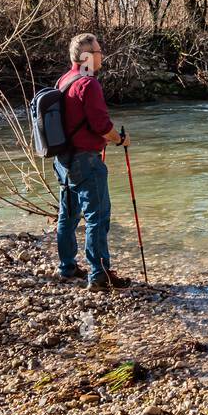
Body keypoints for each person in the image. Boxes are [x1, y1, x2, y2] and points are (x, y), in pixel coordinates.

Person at [54, 33, 130, 291]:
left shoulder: (64, 80)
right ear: (87, 57)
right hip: (86, 161)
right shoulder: (89, 84)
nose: (102, 56)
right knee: (98, 217)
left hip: (63, 160)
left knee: (68, 215)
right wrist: (120, 140)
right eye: (98, 52)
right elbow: (101, 126)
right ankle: (99, 274)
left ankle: (67, 268)